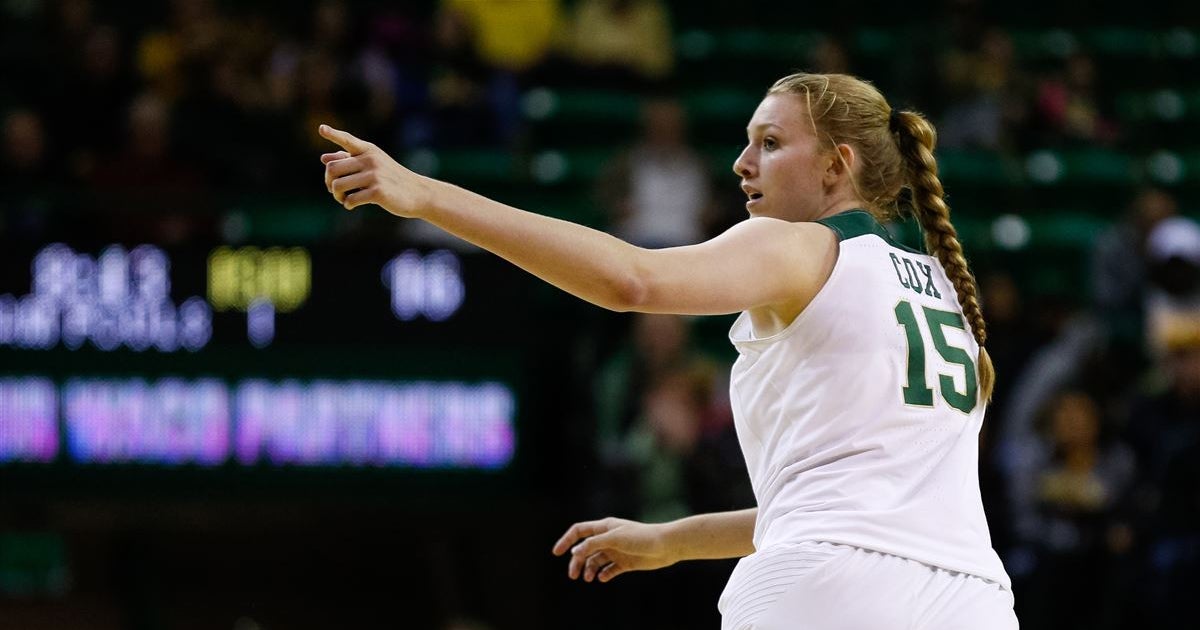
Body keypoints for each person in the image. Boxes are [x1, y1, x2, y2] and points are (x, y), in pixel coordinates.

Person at [318, 72, 1017, 629]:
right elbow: (848, 506)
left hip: (824, 589)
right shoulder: (946, 290)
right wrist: (671, 541)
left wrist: (425, 196)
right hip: (973, 599)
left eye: (770, 143)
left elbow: (632, 279)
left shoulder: (799, 242)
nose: (743, 164)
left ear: (838, 165)